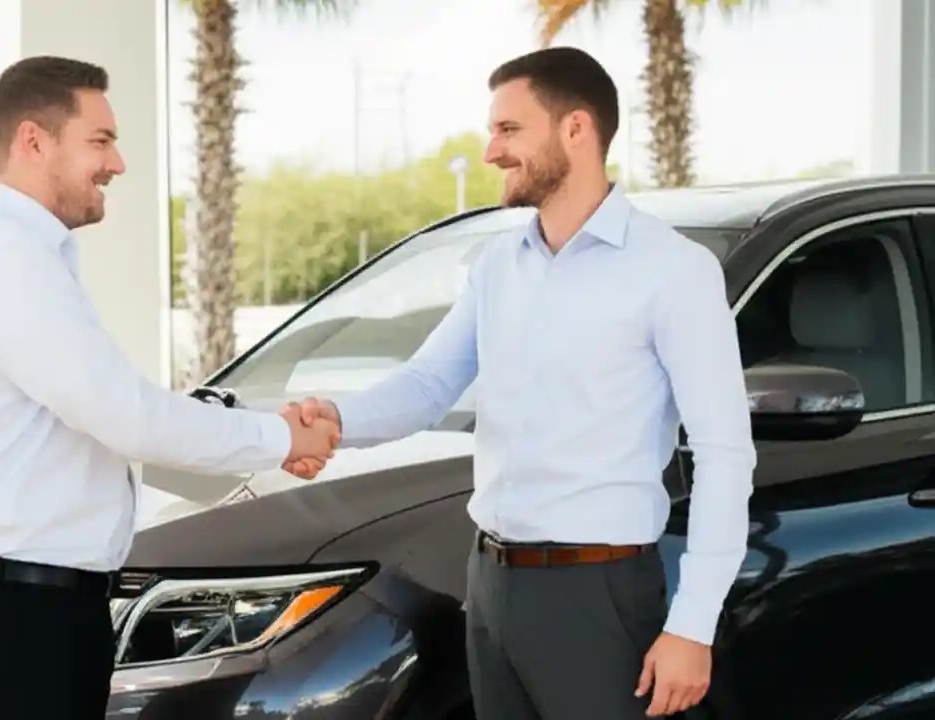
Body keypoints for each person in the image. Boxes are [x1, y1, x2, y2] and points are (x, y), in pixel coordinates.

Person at [288, 46, 755, 719]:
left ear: (576, 130)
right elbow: (428, 382)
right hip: (492, 585)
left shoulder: (674, 271)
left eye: (509, 130)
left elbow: (724, 453)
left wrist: (692, 625)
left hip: (598, 590)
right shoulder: (498, 264)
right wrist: (335, 419)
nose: (490, 152)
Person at [0, 56, 340, 720]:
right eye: (100, 140)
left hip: (34, 615)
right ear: (33, 140)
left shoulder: (23, 257)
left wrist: (258, 430)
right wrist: (282, 436)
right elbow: (128, 417)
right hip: (17, 627)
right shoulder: (9, 264)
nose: (118, 163)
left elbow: (107, 419)